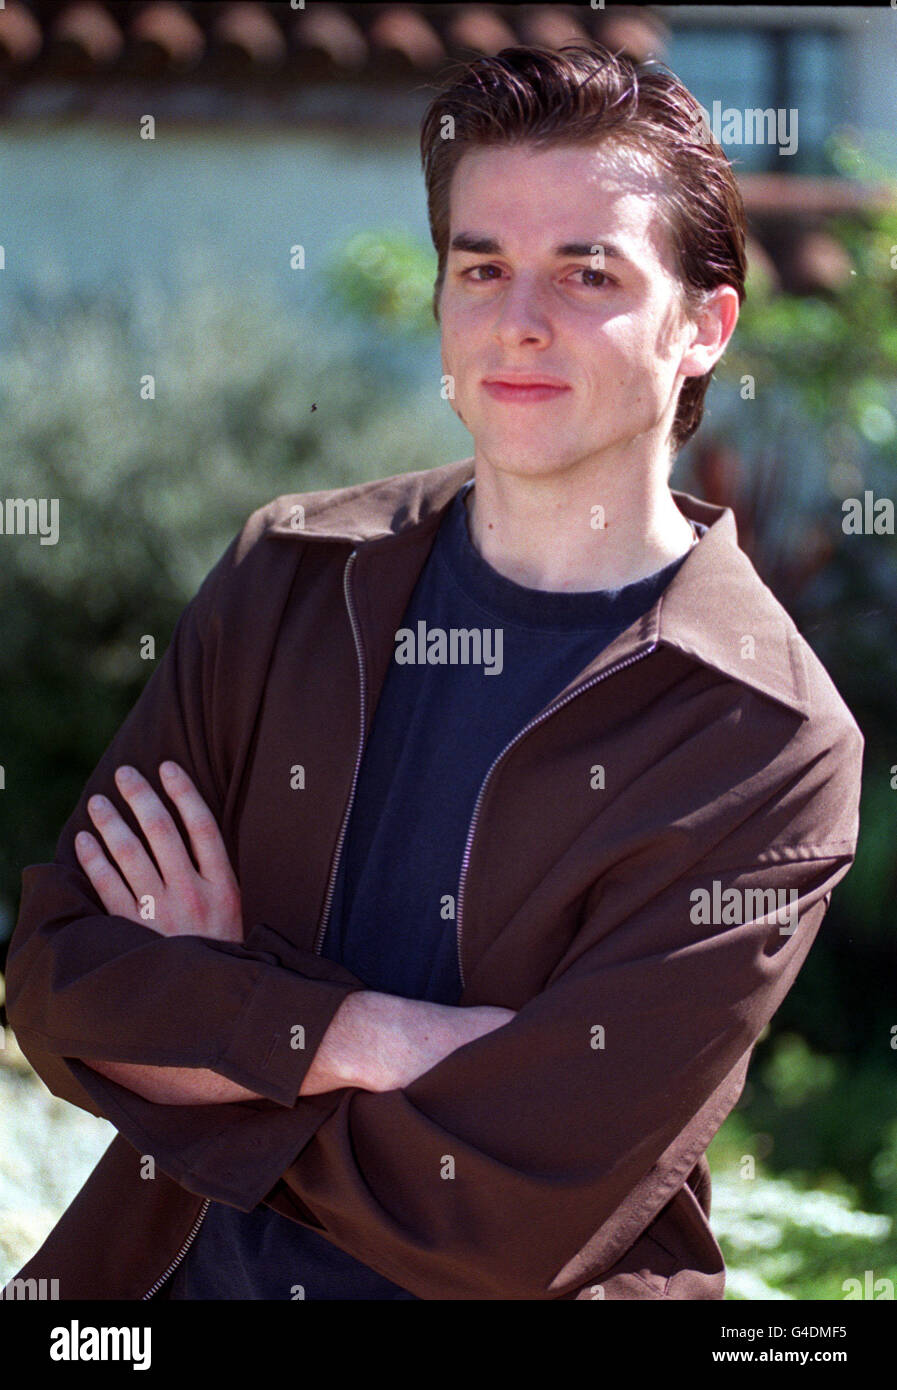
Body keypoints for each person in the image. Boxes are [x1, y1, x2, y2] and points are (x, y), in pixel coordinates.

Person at [5, 42, 863, 1301]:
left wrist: (224, 1015)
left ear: (700, 329)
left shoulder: (761, 733)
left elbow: (508, 1212)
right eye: (483, 265)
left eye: (588, 272)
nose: (520, 318)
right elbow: (61, 985)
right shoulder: (293, 573)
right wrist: (367, 1037)